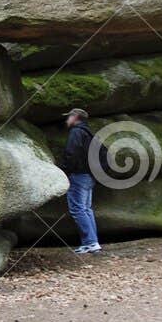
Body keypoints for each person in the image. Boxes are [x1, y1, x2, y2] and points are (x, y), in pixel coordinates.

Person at [59, 107, 102, 255]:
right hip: (90, 176)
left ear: (76, 117)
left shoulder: (76, 132)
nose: (67, 120)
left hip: (78, 175)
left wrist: (64, 171)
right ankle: (92, 242)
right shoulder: (90, 134)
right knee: (86, 209)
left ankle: (90, 242)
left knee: (77, 209)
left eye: (68, 117)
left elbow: (72, 152)